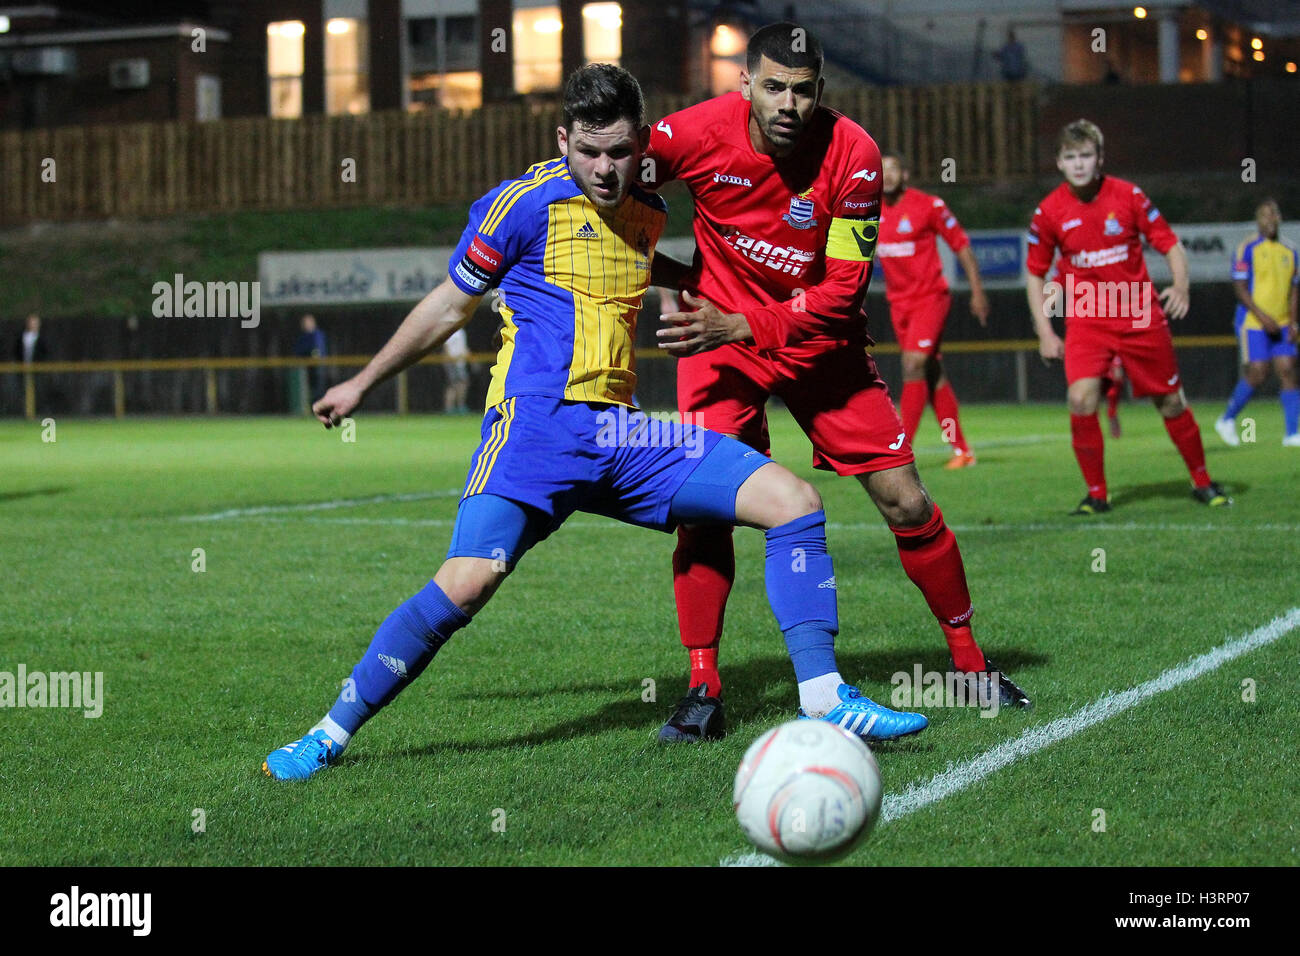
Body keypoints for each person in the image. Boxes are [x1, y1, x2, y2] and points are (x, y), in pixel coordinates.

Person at [262, 63, 926, 781]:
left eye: (618, 152)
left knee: (794, 502)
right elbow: (447, 307)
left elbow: (637, 255)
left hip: (622, 435)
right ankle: (327, 734)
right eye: (588, 151)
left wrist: (702, 277)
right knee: (469, 581)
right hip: (536, 431)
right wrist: (362, 382)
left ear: (642, 143)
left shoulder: (647, 207)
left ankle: (824, 696)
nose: (604, 169)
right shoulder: (518, 204)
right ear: (563, 140)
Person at [644, 22, 1030, 744]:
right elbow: (614, 181)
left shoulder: (853, 154)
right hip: (720, 343)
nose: (788, 103)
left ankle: (970, 664)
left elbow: (843, 294)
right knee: (705, 511)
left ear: (819, 91)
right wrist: (666, 270)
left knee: (906, 500)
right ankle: (703, 688)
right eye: (773, 87)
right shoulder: (691, 133)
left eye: (803, 89)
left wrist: (742, 323)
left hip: (814, 342)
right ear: (745, 85)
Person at [1025, 118, 1230, 514]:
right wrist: (1045, 331)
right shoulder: (1049, 211)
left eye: (1086, 155)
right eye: (1071, 157)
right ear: (1059, 163)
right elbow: (1035, 275)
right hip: (1086, 315)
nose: (1079, 164)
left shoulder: (1129, 196)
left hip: (1138, 313)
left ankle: (1202, 481)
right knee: (1080, 398)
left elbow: (1170, 244)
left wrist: (1181, 284)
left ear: (1100, 158)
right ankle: (1096, 495)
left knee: (1170, 402)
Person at [878, 150, 989, 467]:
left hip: (930, 298)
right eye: (881, 170)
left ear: (906, 175)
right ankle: (962, 451)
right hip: (898, 304)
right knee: (931, 373)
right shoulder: (869, 210)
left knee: (913, 364)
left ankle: (901, 450)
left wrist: (977, 292)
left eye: (893, 169)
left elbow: (962, 246)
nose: (886, 175)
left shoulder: (929, 205)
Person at [1215, 199, 1299, 447]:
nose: (1270, 220)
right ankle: (1227, 419)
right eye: (1265, 215)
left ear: (1279, 219)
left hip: (1283, 322)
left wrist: (1293, 323)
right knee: (1258, 372)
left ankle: (1292, 433)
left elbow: (1295, 291)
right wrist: (1262, 317)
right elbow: (1240, 288)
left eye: (1274, 215)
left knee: (1288, 370)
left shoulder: (1290, 250)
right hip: (1253, 322)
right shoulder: (1247, 248)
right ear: (1258, 220)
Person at [293, 313, 328, 404]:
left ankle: (321, 409)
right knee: (307, 391)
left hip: (318, 367)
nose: (306, 325)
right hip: (305, 368)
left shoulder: (318, 335)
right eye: (304, 323)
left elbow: (319, 351)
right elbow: (298, 352)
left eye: (308, 322)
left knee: (319, 390)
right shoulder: (302, 337)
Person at [442, 325, 472, 413]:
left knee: (462, 384)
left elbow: (464, 347)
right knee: (453, 385)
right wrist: (451, 361)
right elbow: (446, 347)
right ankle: (449, 408)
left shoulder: (461, 331)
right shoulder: (450, 330)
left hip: (461, 363)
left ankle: (460, 406)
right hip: (452, 362)